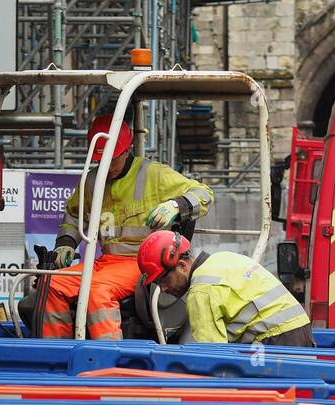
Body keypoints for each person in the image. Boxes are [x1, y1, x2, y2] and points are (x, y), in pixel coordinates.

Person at [43, 114, 215, 340]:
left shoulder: (153, 174)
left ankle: (108, 359)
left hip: (141, 262)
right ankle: (59, 354)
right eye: (101, 159)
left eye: (113, 159)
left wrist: (176, 205)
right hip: (106, 262)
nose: (108, 166)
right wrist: (66, 243)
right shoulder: (93, 181)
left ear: (126, 151)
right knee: (51, 284)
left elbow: (204, 194)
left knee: (98, 289)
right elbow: (74, 216)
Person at [136, 231, 316, 348]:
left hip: (276, 341)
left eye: (164, 279)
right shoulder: (223, 259)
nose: (163, 288)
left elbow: (211, 354)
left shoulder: (201, 290)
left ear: (182, 265)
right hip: (300, 331)